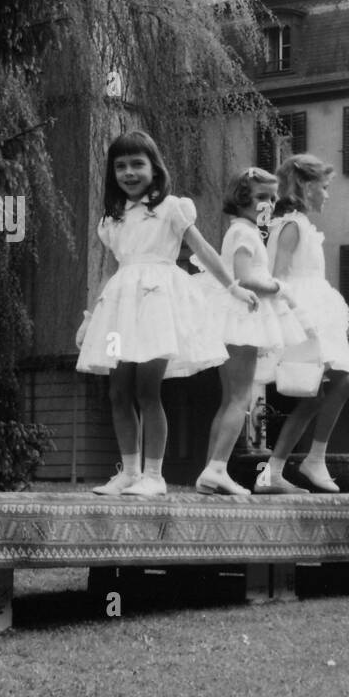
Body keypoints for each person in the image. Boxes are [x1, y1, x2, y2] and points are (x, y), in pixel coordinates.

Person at [74, 131, 255, 497]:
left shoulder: (172, 208)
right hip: (122, 307)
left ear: (154, 169)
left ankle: (153, 475)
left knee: (147, 389)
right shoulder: (112, 219)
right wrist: (91, 316)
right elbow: (111, 271)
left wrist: (232, 286)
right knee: (118, 391)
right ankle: (128, 471)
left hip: (157, 303)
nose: (129, 172)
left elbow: (202, 249)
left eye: (137, 164)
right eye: (120, 166)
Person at [195, 168, 308, 495]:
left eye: (272, 198)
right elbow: (245, 277)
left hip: (238, 315)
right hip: (244, 316)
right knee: (240, 398)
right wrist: (278, 286)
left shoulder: (240, 231)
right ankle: (217, 468)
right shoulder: (244, 234)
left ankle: (210, 470)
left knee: (231, 398)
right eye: (261, 198)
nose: (268, 204)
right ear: (241, 199)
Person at [254, 154, 349, 494]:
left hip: (314, 312)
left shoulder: (299, 224)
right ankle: (302, 462)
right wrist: (296, 320)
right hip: (301, 315)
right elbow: (279, 276)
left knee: (322, 392)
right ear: (306, 186)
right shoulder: (292, 225)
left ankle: (289, 467)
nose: (327, 195)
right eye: (324, 187)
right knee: (337, 383)